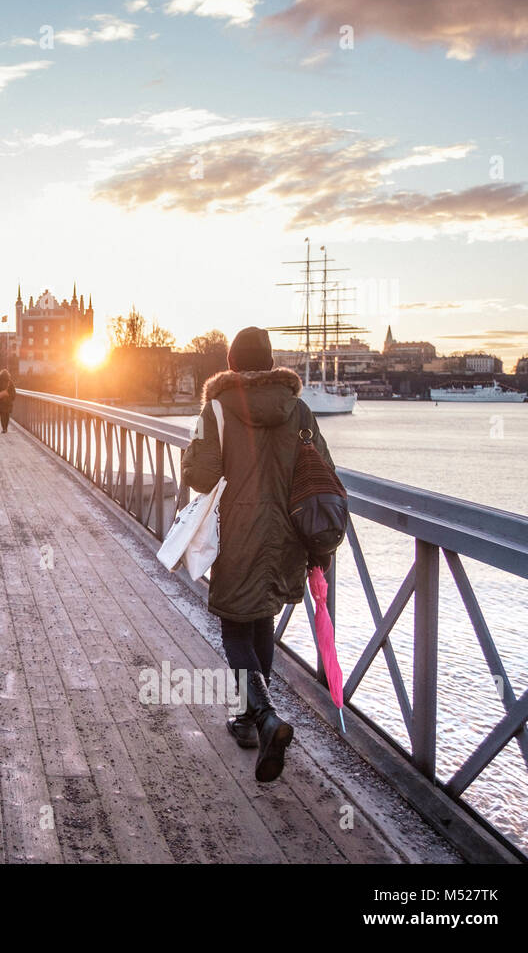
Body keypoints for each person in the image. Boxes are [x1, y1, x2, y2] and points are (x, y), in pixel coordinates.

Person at [181, 326, 336, 783]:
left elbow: (201, 476)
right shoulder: (300, 409)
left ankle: (263, 718)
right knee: (262, 620)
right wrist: (317, 546)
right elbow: (321, 471)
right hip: (287, 534)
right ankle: (249, 719)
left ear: (231, 365)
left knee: (234, 625)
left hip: (239, 531)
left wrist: (198, 444)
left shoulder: (218, 408)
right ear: (270, 365)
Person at [0, 369, 16, 433]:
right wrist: (10, 397)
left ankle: (3, 428)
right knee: (7, 415)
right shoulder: (10, 382)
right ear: (8, 374)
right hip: (8, 401)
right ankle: (6, 427)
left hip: (1, 401)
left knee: (2, 415)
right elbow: (13, 393)